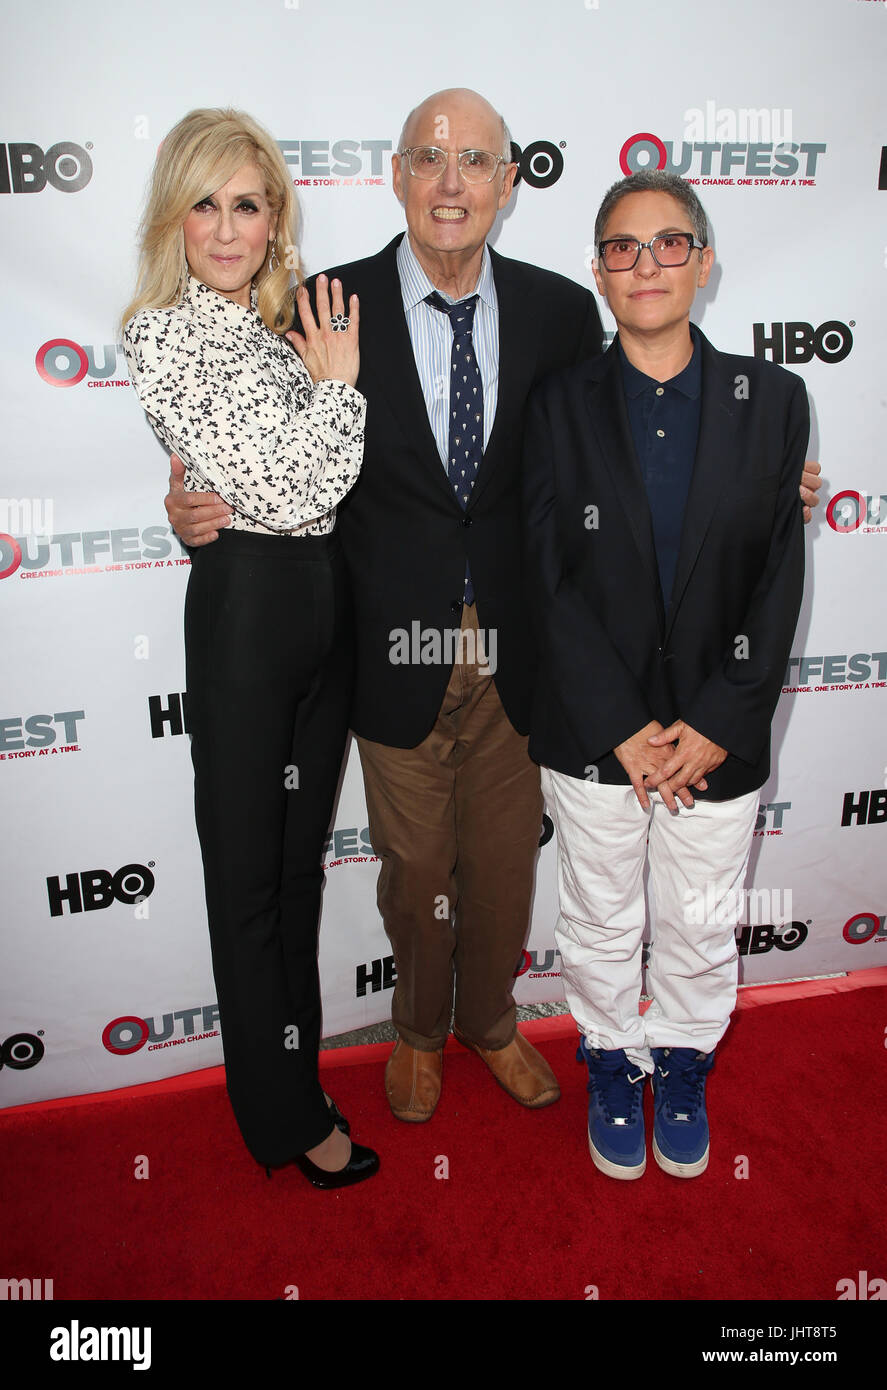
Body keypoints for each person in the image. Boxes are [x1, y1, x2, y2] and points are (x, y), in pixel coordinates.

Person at [163, 90, 822, 1126]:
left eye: (475, 160)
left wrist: (765, 476)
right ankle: (419, 1030)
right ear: (394, 175)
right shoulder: (325, 307)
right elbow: (264, 453)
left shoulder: (564, 312)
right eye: (429, 158)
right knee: (416, 868)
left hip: (530, 650)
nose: (452, 182)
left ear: (509, 183)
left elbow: (630, 423)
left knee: (509, 864)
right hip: (386, 645)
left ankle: (491, 1021)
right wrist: (189, 498)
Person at [522, 169, 808, 1180]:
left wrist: (719, 720)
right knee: (598, 914)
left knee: (695, 919)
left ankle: (680, 1058)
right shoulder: (553, 404)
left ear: (704, 260)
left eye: (668, 242)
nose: (645, 264)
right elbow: (544, 574)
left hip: (712, 738)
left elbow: (777, 578)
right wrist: (621, 725)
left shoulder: (771, 400)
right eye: (620, 247)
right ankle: (609, 1056)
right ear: (597, 271)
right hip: (595, 733)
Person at [122, 108, 378, 1188]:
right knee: (247, 880)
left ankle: (298, 1076)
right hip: (247, 611)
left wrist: (319, 388)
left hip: (326, 603)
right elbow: (284, 489)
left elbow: (326, 492)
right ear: (174, 217)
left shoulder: (287, 326)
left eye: (247, 203)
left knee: (295, 870)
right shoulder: (162, 331)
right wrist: (334, 390)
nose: (226, 228)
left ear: (274, 220)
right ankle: (278, 1117)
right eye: (205, 203)